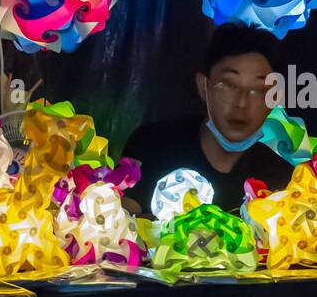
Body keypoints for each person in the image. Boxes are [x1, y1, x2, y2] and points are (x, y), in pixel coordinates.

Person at [124, 23, 295, 214]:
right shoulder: (152, 146)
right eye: (228, 85)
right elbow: (119, 228)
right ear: (204, 86)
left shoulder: (282, 180)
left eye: (258, 90)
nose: (242, 102)